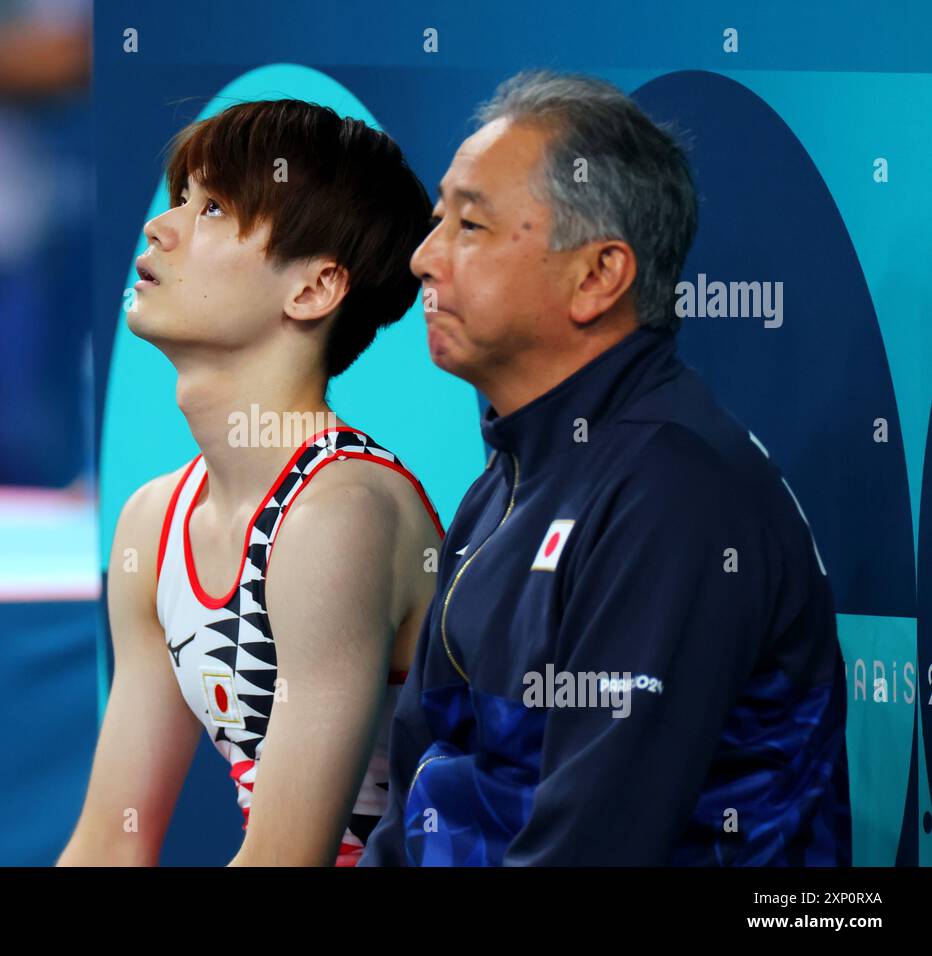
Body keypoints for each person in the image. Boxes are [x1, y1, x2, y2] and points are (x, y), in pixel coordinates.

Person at [360, 70, 851, 866]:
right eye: (435, 220)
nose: (423, 258)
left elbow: (589, 853)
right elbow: (413, 806)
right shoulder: (505, 485)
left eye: (470, 227)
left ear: (598, 276)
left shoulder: (675, 498)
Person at [59, 99, 444, 866]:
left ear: (312, 289)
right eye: (178, 201)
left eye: (212, 209)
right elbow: (109, 847)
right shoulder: (153, 520)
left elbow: (287, 862)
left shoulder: (341, 513)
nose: (159, 228)